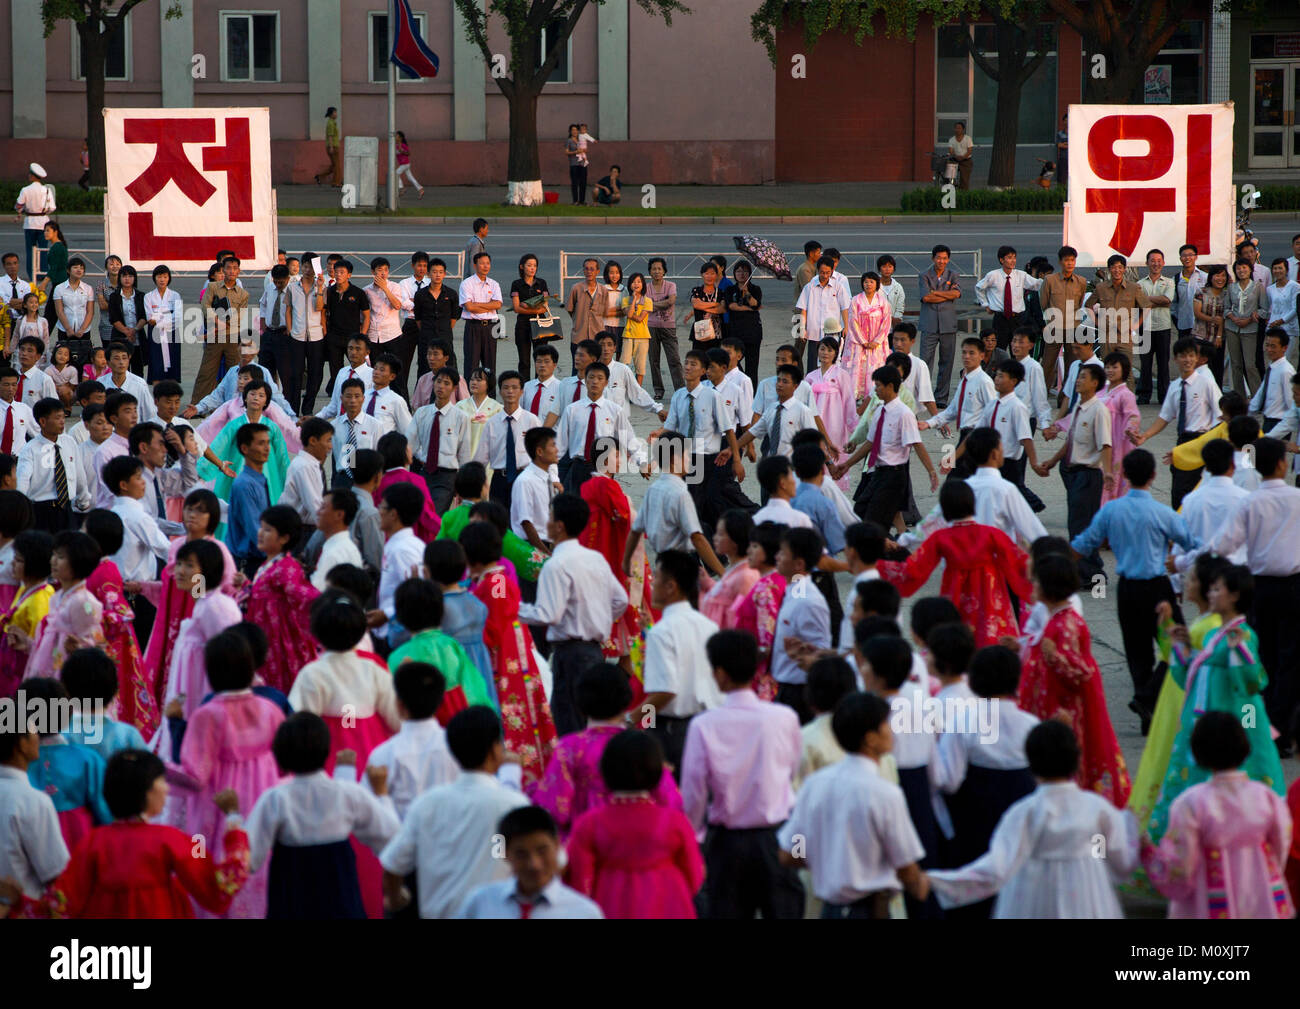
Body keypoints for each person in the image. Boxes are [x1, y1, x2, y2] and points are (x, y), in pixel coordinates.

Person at [925, 720, 1135, 918]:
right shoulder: (1097, 809)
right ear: (1077, 760)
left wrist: (935, 882)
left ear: (1030, 763)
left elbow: (997, 867)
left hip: (1032, 899)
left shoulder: (1023, 813)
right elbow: (1119, 860)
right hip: (1089, 899)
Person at [1147, 564, 1286, 845]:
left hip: (1232, 720)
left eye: (1217, 588)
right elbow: (1189, 677)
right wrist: (1178, 647)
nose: (1211, 593)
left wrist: (1239, 653)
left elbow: (1250, 684)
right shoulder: (1213, 635)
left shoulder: (1243, 636)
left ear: (1234, 595)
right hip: (1205, 720)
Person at [680, 629, 803, 918]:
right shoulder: (784, 717)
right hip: (779, 837)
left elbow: (694, 793)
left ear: (720, 674)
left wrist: (695, 841)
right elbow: (794, 773)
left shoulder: (704, 724)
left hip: (728, 843)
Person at [164, 630, 284, 919]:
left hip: (218, 810)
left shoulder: (209, 714)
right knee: (257, 866)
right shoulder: (269, 708)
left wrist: (159, 771)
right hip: (262, 804)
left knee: (217, 869)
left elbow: (194, 776)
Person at [1071, 449, 1195, 726]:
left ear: (1124, 475)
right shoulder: (1163, 513)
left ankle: (1144, 703)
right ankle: (1148, 697)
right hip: (1158, 586)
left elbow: (1082, 545)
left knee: (1137, 653)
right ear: (1153, 475)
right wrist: (1179, 561)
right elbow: (1192, 544)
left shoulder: (1112, 511)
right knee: (1180, 646)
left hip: (1127, 588)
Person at [779, 691, 929, 918]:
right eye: (886, 725)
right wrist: (919, 886)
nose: (892, 731)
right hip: (871, 908)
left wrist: (824, 859)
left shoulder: (815, 785)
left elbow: (789, 852)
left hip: (830, 908)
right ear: (870, 738)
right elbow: (905, 865)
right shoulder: (885, 793)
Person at [244, 712, 398, 919]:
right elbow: (390, 833)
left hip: (292, 895)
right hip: (341, 897)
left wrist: (233, 818)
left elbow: (249, 858)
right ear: (327, 750)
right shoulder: (347, 793)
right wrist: (382, 796)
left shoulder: (275, 799)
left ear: (281, 754)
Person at [1141, 712, 1295, 919]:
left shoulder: (1190, 803)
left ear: (1197, 752)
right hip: (1260, 896)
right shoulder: (1266, 797)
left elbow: (1181, 866)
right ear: (1245, 747)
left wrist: (1148, 852)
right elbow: (1280, 845)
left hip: (1209, 901)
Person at [379, 706, 527, 918]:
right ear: (496, 750)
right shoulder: (512, 803)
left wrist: (394, 899)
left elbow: (393, 866)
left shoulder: (426, 805)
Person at [1015, 554, 1130, 807]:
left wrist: (1054, 657)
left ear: (1049, 587)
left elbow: (1081, 673)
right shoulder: (1057, 619)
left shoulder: (1065, 624)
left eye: (1036, 582)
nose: (1031, 586)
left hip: (1066, 708)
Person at [528, 662, 682, 840]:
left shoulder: (569, 748)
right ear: (627, 700)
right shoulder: (644, 747)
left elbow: (554, 807)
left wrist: (530, 788)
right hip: (640, 845)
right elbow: (671, 803)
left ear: (580, 706)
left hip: (587, 845)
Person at [518, 494, 629, 736]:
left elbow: (548, 615)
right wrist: (597, 617)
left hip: (570, 654)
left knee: (570, 723)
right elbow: (620, 599)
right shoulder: (595, 558)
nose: (545, 523)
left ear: (559, 526)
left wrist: (515, 609)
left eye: (549, 518)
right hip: (593, 650)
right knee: (593, 722)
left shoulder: (555, 565)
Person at [566, 729, 703, 918]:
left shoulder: (589, 823)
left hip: (609, 904)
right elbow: (694, 874)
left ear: (606, 770)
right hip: (670, 903)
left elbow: (579, 879)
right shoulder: (675, 821)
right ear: (657, 771)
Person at [879, 481, 1032, 647]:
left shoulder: (941, 538)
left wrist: (878, 567)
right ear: (972, 503)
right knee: (993, 644)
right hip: (990, 600)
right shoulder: (992, 534)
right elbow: (1019, 562)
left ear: (945, 509)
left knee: (956, 645)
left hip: (956, 596)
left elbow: (913, 569)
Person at [1036, 362, 1113, 583]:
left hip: (1088, 475)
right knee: (1077, 524)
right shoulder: (1080, 405)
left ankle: (1091, 573)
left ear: (1095, 383)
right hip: (1074, 473)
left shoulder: (1099, 410)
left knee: (1082, 525)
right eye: (1078, 377)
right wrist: (1051, 462)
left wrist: (1107, 472)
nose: (1078, 381)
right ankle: (1085, 570)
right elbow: (1070, 440)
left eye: (1084, 377)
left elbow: (1105, 445)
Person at [456, 805, 604, 919]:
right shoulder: (481, 902)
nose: (534, 864)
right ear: (505, 853)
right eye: (521, 854)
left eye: (542, 851)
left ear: (557, 845)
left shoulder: (583, 912)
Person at [1131, 337, 1223, 510]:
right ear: (1175, 359)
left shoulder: (1207, 383)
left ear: (1196, 358)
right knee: (1179, 494)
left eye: (1190, 355)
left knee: (1199, 494)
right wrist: (1145, 436)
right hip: (1183, 442)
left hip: (1203, 440)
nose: (1187, 360)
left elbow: (1221, 417)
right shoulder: (1174, 386)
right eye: (1183, 356)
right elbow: (1165, 417)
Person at [241, 505, 320, 695]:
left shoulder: (285, 567)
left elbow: (305, 596)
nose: (260, 533)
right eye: (261, 527)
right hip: (263, 640)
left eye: (268, 529)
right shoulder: (269, 566)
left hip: (276, 644)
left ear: (284, 538)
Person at [386, 579, 492, 712]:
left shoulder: (397, 657)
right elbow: (475, 689)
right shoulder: (452, 646)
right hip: (459, 724)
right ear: (441, 611)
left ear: (400, 617)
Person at [0, 720, 70, 905]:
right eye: (34, 731)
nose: (38, 737)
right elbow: (56, 872)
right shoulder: (33, 801)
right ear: (21, 745)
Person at [0, 530, 54, 694]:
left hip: (21, 670)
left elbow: (36, 645)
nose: (12, 565)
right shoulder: (25, 587)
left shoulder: (40, 600)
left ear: (33, 564)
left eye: (18, 560)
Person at [16, 397, 77, 533]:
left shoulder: (69, 442)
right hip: (42, 509)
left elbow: (78, 472)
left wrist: (84, 496)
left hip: (66, 507)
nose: (62, 421)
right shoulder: (30, 449)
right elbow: (23, 479)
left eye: (63, 417)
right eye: (57, 418)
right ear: (43, 421)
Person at [195, 257, 250, 405]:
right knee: (206, 372)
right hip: (214, 336)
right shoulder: (213, 287)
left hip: (232, 338)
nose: (231, 271)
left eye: (234, 268)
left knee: (234, 373)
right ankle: (198, 406)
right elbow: (205, 306)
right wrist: (217, 322)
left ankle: (236, 404)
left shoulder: (243, 294)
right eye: (228, 268)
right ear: (223, 270)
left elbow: (240, 317)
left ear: (239, 271)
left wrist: (225, 325)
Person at [975, 246, 1044, 352]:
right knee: (998, 349)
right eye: (1009, 257)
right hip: (1000, 319)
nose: (1013, 260)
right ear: (1001, 260)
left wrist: (1051, 280)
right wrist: (985, 304)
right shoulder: (993, 275)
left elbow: (1037, 284)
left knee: (1018, 349)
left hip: (1017, 319)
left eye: (1014, 257)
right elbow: (979, 288)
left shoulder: (1021, 275)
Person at [844, 271, 891, 402]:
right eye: (865, 282)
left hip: (877, 344)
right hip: (859, 343)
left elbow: (886, 323)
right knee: (857, 368)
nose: (868, 284)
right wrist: (863, 341)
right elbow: (852, 321)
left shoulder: (883, 302)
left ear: (877, 284)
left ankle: (874, 396)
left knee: (875, 368)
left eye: (871, 282)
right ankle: (854, 396)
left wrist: (876, 341)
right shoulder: (855, 300)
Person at [14, 164, 54, 283]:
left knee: (30, 250)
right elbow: (52, 207)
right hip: (43, 223)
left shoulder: (25, 190)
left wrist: (22, 210)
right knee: (43, 249)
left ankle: (32, 275)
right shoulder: (46, 190)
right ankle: (43, 273)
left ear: (32, 176)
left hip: (30, 223)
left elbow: (18, 206)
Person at [1250, 331, 1295, 432]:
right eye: (1267, 345)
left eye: (1273, 346)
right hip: (1267, 420)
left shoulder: (1286, 371)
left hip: (1279, 423)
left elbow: (1291, 402)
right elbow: (1261, 393)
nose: (1269, 350)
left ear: (1284, 348)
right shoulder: (1272, 367)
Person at [314, 106, 342, 186]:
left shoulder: (332, 122)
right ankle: (336, 182)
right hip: (333, 146)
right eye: (335, 112)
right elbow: (330, 136)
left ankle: (319, 177)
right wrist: (331, 147)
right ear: (331, 114)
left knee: (334, 166)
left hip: (334, 145)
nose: (336, 114)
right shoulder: (330, 123)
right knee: (336, 166)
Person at [947, 121, 973, 189]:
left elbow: (969, 151)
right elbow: (950, 150)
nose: (957, 130)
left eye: (959, 128)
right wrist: (956, 156)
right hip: (954, 160)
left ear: (963, 129)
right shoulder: (951, 139)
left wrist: (963, 157)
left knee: (964, 180)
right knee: (950, 177)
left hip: (966, 160)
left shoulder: (968, 139)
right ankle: (951, 190)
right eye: (956, 128)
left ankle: (963, 193)